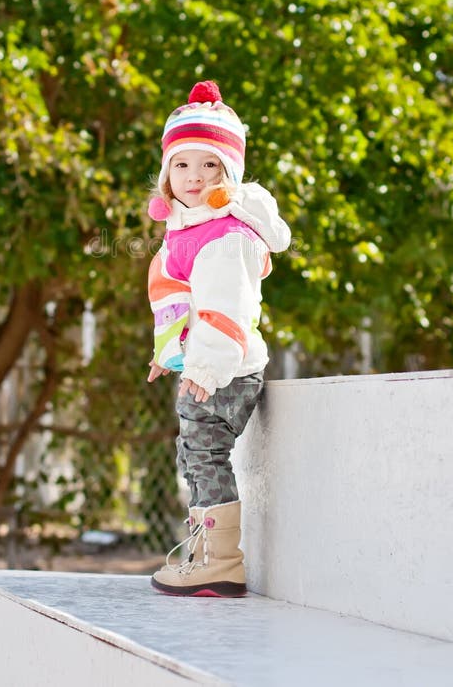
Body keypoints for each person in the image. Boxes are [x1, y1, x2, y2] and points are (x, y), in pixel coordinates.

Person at [146, 80, 291, 597]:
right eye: (182, 165)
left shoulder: (227, 233)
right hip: (207, 362)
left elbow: (226, 306)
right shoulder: (188, 226)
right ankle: (206, 551)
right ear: (167, 173)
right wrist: (170, 353)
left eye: (210, 165)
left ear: (228, 174)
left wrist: (205, 368)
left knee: (205, 451)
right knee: (193, 452)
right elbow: (180, 298)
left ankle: (221, 559)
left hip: (227, 367)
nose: (193, 177)